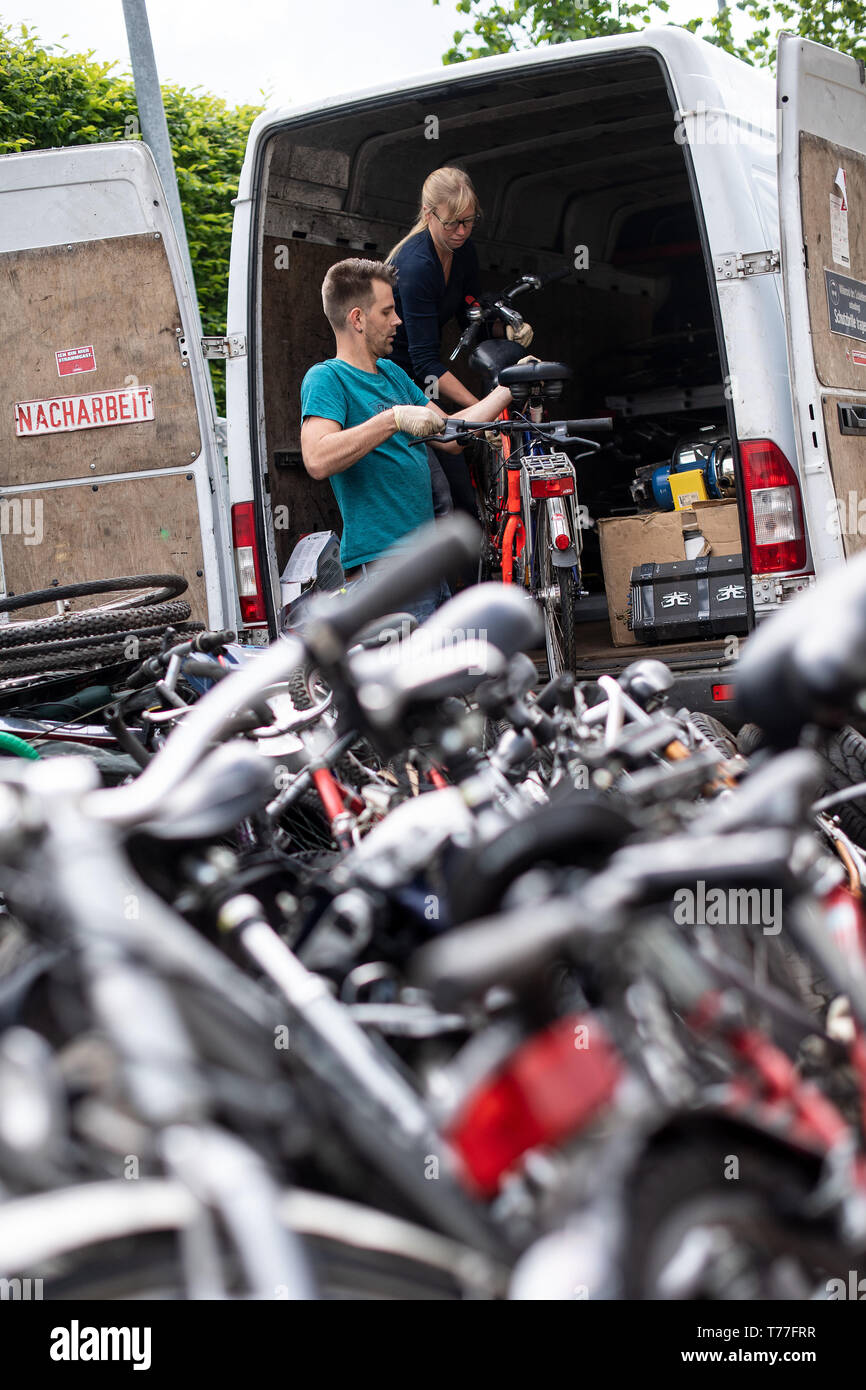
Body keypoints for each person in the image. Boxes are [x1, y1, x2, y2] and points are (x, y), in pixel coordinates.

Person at [299, 258, 512, 625]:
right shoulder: (327, 378)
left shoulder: (393, 374)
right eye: (387, 311)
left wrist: (509, 387)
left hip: (425, 565)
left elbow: (449, 435)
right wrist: (392, 420)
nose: (398, 320)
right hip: (386, 573)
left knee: (442, 680)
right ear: (358, 319)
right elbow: (317, 458)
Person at [386, 167, 533, 518]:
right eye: (453, 223)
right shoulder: (416, 266)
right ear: (428, 214)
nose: (462, 231)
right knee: (452, 498)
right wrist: (484, 414)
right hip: (398, 383)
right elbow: (423, 363)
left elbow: (471, 318)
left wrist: (503, 330)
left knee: (463, 489)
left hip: (426, 376)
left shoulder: (463, 250)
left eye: (469, 221)